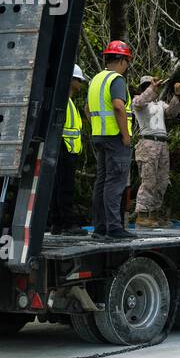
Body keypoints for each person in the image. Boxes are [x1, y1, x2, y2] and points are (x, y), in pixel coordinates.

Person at [88, 41, 135, 239]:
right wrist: (125, 135)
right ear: (123, 60)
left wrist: (96, 128)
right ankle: (114, 228)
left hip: (99, 136)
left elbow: (87, 110)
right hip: (115, 138)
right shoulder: (116, 80)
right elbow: (118, 106)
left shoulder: (95, 80)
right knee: (114, 183)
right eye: (127, 61)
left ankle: (100, 228)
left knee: (102, 182)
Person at [131, 75, 180, 228]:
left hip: (162, 144)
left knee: (161, 181)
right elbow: (140, 101)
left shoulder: (159, 104)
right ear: (142, 88)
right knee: (148, 180)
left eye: (152, 85)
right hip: (147, 142)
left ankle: (153, 214)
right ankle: (142, 215)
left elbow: (172, 113)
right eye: (146, 85)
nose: (150, 87)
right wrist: (152, 89)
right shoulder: (137, 102)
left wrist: (177, 95)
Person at [48, 64, 87, 235]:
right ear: (70, 80)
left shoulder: (68, 101)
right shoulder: (63, 100)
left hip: (66, 148)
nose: (81, 84)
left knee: (59, 186)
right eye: (79, 80)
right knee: (65, 187)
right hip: (64, 147)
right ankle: (67, 224)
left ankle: (58, 223)